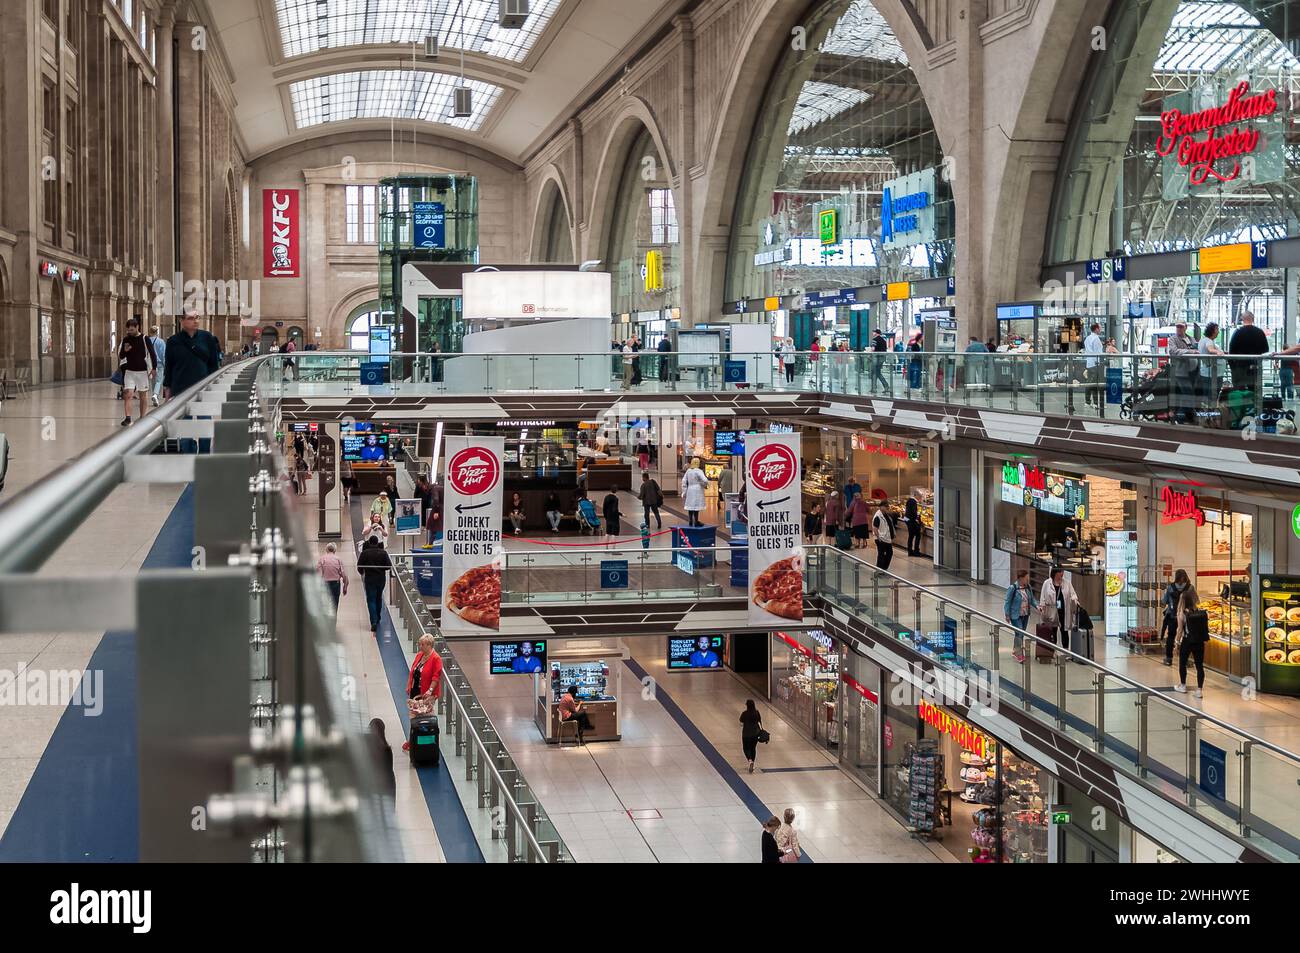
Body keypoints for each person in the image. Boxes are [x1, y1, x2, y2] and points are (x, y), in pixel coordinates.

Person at [162, 309, 221, 400]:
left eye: (197, 317)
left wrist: (214, 386)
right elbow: (169, 367)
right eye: (191, 318)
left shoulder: (207, 337)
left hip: (203, 388)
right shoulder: (173, 341)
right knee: (183, 414)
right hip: (180, 390)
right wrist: (167, 389)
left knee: (204, 414)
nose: (195, 321)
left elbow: (213, 365)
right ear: (181, 320)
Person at [402, 634, 444, 752]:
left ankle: (429, 741)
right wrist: (409, 685)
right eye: (420, 644)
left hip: (427, 693)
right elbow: (413, 671)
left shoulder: (436, 658)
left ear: (429, 645)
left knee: (426, 717)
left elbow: (436, 677)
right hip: (416, 691)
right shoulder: (420, 655)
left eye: (422, 644)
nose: (420, 646)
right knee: (413, 716)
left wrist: (430, 690)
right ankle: (413, 739)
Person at [116, 318, 157, 427]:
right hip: (129, 371)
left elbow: (152, 353)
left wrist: (154, 368)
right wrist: (125, 351)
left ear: (137, 327)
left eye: (132, 330)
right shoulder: (126, 340)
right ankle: (128, 418)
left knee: (142, 395)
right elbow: (121, 356)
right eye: (128, 330)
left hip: (142, 371)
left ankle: (143, 417)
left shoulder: (145, 338)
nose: (130, 332)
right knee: (127, 394)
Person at [1172, 571, 1205, 698]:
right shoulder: (1199, 612)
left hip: (1187, 641)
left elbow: (1180, 630)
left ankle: (1183, 685)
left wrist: (1177, 644)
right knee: (1199, 665)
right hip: (1199, 641)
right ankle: (1199, 690)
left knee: (1182, 663)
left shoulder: (1182, 614)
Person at [1228, 310, 1269, 398]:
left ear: (1242, 319)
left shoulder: (1237, 332)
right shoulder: (1259, 332)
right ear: (1253, 319)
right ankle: (1255, 409)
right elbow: (1266, 349)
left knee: (1239, 392)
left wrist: (1233, 367)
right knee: (1254, 391)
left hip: (1239, 368)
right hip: (1255, 367)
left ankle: (1240, 410)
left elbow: (1231, 352)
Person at [1038, 566, 1078, 656]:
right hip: (1052, 610)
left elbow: (1073, 594)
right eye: (1060, 572)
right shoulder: (1047, 583)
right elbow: (1042, 597)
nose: (1062, 574)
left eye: (1063, 572)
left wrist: (1075, 599)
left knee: (1064, 631)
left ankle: (1066, 652)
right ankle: (1053, 650)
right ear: (1055, 573)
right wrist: (1042, 607)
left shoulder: (1067, 583)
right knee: (1053, 631)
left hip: (1063, 610)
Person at [356, 536, 391, 633]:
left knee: (371, 599)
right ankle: (378, 616)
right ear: (377, 542)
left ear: (369, 542)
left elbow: (359, 566)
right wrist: (381, 569)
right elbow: (388, 566)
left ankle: (373, 621)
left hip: (370, 579)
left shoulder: (365, 553)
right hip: (381, 579)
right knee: (379, 597)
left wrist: (362, 573)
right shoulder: (383, 553)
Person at [1003, 569, 1038, 663]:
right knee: (1020, 633)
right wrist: (1007, 614)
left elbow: (1031, 599)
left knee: (1019, 633)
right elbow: (1007, 601)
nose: (1027, 580)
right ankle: (1019, 654)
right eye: (1026, 578)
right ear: (1021, 579)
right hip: (1015, 615)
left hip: (1025, 614)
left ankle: (1015, 650)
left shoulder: (1028, 587)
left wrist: (1037, 606)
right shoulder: (1013, 588)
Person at [1166, 321, 1198, 423]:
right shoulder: (1173, 339)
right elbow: (1173, 351)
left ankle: (1184, 415)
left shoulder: (1191, 338)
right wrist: (1189, 351)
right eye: (1177, 327)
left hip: (1193, 371)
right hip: (1181, 372)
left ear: (1185, 328)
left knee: (1190, 393)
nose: (1179, 329)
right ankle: (1185, 416)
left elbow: (1198, 349)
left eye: (1181, 327)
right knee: (1187, 393)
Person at [368, 718, 396, 799]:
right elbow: (389, 770)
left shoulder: (367, 750)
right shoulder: (387, 749)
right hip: (388, 785)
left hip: (373, 786)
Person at [1198, 322, 1224, 405]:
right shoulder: (1209, 341)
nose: (1218, 332)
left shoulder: (1203, 340)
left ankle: (1209, 412)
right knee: (1212, 396)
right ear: (1213, 330)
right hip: (1213, 374)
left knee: (1208, 396)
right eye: (1217, 329)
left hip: (1208, 373)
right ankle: (1211, 413)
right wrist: (1217, 351)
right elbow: (1210, 349)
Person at [316, 542, 348, 609]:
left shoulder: (322, 559)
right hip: (335, 584)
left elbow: (319, 574)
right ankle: (334, 617)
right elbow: (344, 574)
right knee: (335, 604)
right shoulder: (338, 559)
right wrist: (345, 586)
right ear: (335, 550)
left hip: (325, 584)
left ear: (326, 550)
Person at [681, 457, 708, 527]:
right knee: (696, 507)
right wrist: (702, 484)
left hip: (690, 489)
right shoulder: (698, 471)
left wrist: (684, 491)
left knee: (690, 506)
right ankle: (696, 521)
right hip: (697, 490)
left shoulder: (688, 471)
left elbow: (684, 481)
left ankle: (690, 521)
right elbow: (705, 480)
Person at [1082, 322, 1104, 408]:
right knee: (1093, 384)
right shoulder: (1096, 339)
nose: (1101, 329)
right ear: (1096, 329)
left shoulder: (1087, 338)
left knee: (1092, 383)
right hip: (1096, 363)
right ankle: (1089, 402)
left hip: (1089, 363)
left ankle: (1093, 402)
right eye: (1100, 328)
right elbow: (1099, 353)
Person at [740, 699, 763, 774]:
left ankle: (750, 761)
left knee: (746, 748)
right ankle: (753, 764)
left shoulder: (744, 713)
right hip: (755, 734)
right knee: (753, 748)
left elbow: (741, 722)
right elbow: (760, 721)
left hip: (746, 734)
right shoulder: (757, 713)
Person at [871, 502, 895, 570]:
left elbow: (889, 524)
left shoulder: (885, 515)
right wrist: (878, 537)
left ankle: (884, 568)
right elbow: (875, 528)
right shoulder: (878, 516)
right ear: (881, 507)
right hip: (881, 538)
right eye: (885, 506)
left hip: (886, 538)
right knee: (881, 554)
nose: (887, 508)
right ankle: (879, 568)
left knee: (889, 553)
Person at [147, 326, 166, 407]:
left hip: (149, 364)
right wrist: (166, 365)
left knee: (153, 381)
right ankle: (155, 395)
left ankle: (156, 398)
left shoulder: (146, 341)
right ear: (157, 332)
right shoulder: (161, 342)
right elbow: (163, 354)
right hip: (159, 364)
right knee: (159, 381)